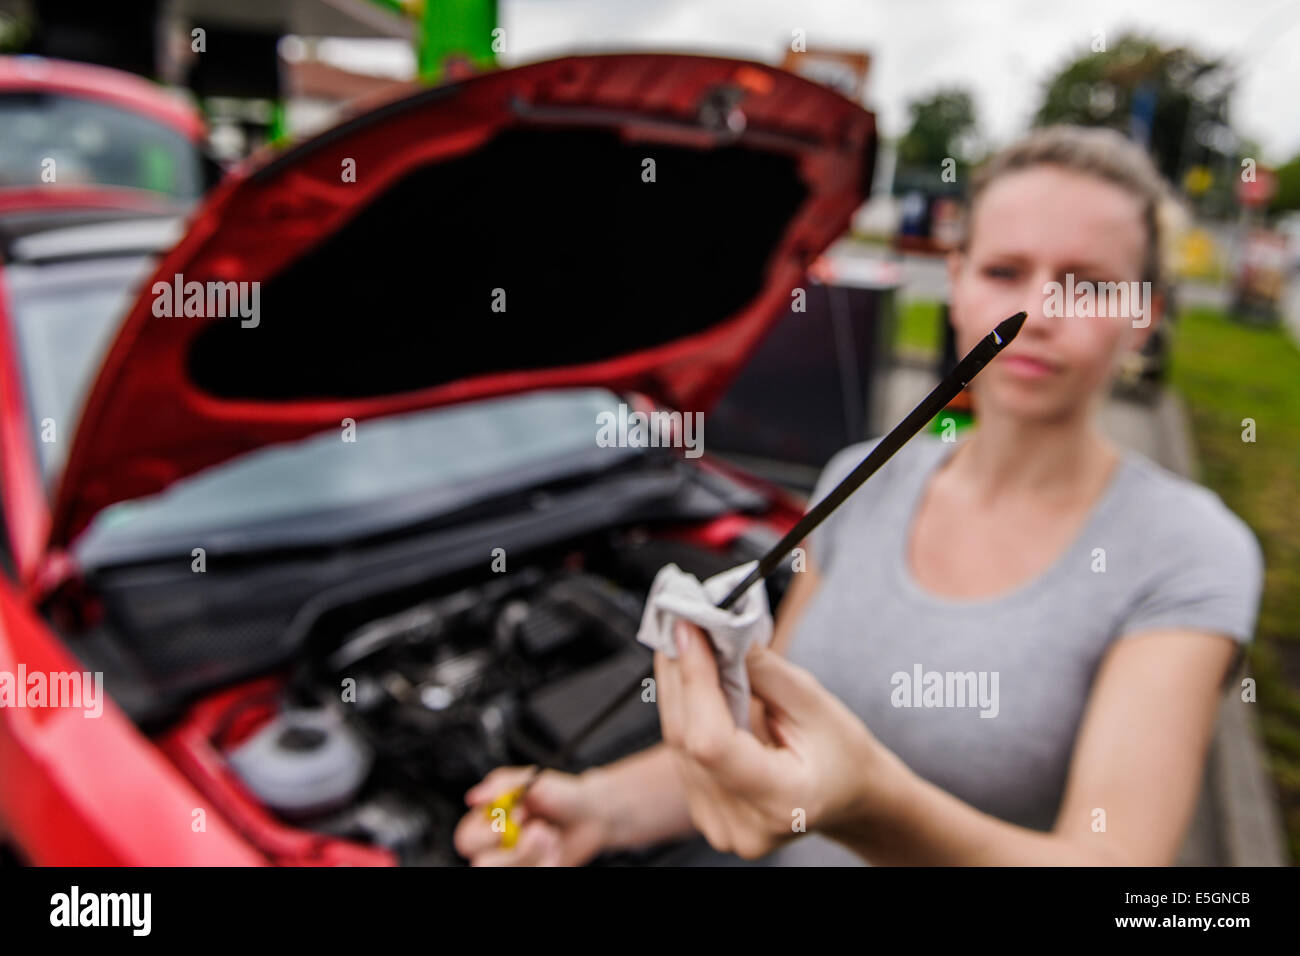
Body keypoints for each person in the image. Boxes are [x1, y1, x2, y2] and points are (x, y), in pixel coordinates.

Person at [453, 125, 1264, 866]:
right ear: (955, 283)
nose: (1033, 312)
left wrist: (871, 805)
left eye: (1086, 286)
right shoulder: (860, 479)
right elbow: (770, 742)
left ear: (1144, 317)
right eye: (1004, 271)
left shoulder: (1188, 554)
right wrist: (600, 809)